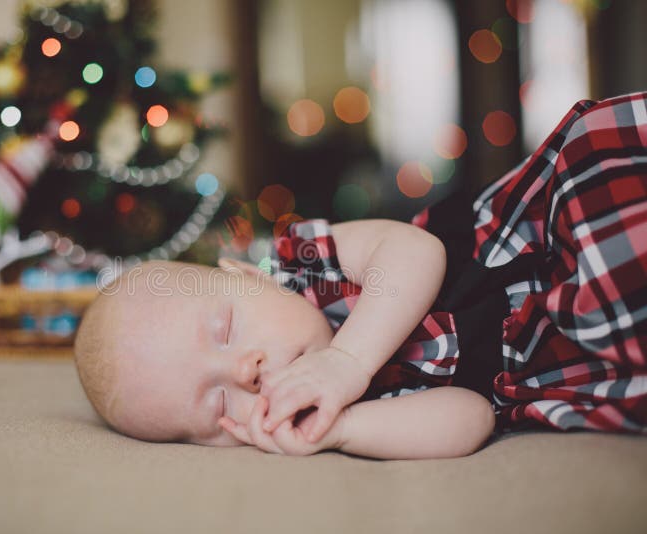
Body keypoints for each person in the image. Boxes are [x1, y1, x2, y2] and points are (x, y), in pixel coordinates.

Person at [73, 92, 647, 459]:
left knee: (609, 235)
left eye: (225, 330)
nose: (244, 373)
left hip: (544, 244)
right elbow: (470, 417)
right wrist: (341, 429)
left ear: (245, 274)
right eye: (215, 407)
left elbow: (415, 253)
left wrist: (348, 361)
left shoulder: (303, 264)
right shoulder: (341, 417)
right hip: (560, 356)